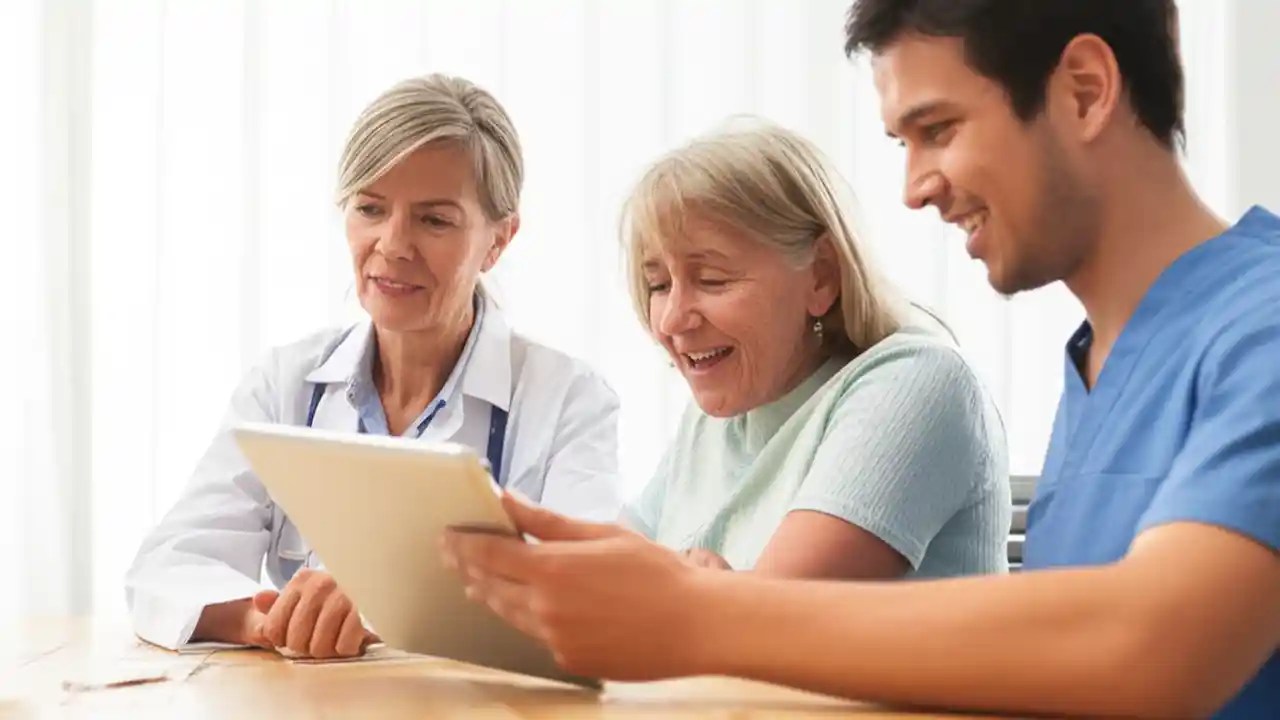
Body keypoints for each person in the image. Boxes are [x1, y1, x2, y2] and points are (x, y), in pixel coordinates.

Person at [442, 2, 1280, 717]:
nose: (915, 187)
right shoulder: (1103, 364)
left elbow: (1153, 644)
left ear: (1086, 91)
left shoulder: (1262, 325)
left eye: (940, 129)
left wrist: (699, 611)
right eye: (902, 143)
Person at [126, 74, 621, 660]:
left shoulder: (569, 399)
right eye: (370, 208)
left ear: (499, 240)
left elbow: (587, 599)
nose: (392, 244)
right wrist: (277, 621)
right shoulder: (285, 385)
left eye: (434, 220)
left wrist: (379, 613)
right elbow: (167, 569)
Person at [619, 121, 1008, 579]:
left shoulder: (919, 383)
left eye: (712, 280)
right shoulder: (715, 420)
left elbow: (765, 631)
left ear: (821, 275)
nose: (670, 319)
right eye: (658, 284)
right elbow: (604, 586)